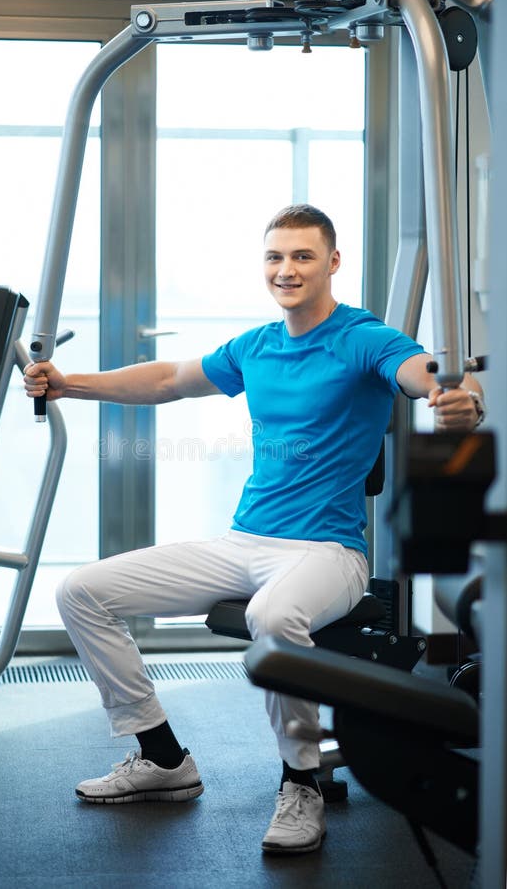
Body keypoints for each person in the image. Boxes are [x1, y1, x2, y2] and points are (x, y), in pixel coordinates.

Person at [24, 204, 484, 855]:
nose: (286, 269)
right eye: (274, 257)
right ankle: (160, 757)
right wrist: (70, 384)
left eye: (301, 256)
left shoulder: (364, 338)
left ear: (332, 262)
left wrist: (456, 395)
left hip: (327, 550)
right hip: (244, 540)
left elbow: (421, 376)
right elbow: (166, 379)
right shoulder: (257, 346)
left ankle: (301, 782)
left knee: (272, 616)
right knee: (82, 591)